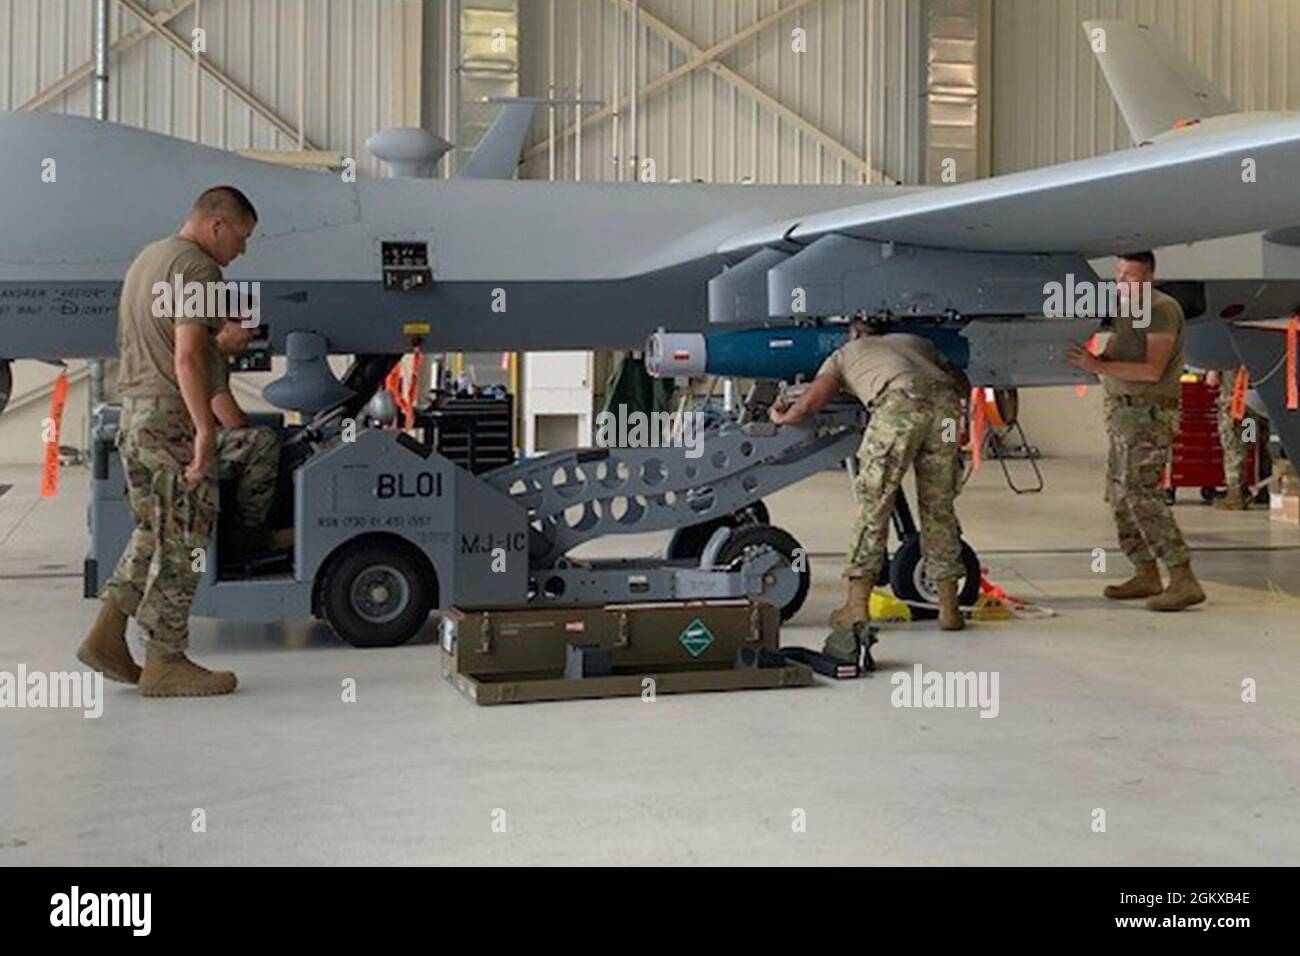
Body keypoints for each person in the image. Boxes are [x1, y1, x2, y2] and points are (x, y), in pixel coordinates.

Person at [76, 186, 258, 697]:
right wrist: (204, 429)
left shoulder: (148, 259)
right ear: (217, 225)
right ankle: (165, 660)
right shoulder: (201, 269)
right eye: (241, 238)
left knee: (152, 532)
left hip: (132, 413)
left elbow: (159, 342)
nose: (241, 251)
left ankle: (106, 635)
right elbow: (186, 358)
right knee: (185, 540)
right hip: (168, 418)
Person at [770, 320, 969, 645]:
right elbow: (961, 382)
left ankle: (856, 605)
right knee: (939, 505)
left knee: (875, 503)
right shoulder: (916, 341)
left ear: (854, 333)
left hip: (899, 407)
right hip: (947, 412)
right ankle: (949, 606)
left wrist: (781, 416)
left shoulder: (845, 353)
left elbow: (808, 405)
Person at [1068, 251, 1205, 612]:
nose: (1122, 281)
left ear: (1149, 275)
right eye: (1119, 274)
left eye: (1130, 275)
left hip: (1148, 414)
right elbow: (1113, 359)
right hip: (1122, 415)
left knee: (1141, 494)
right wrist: (1094, 362)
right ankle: (1145, 571)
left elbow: (1151, 371)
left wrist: (1097, 364)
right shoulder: (1126, 310)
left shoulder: (1161, 308)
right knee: (1119, 495)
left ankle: (1182, 576)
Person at [208, 317, 290, 557]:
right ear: (224, 324)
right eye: (246, 325)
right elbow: (231, 419)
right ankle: (247, 532)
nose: (253, 333)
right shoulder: (208, 355)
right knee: (262, 441)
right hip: (188, 444)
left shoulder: (215, 356)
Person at [1205, 367, 1258, 511]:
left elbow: (1212, 380)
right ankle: (1251, 489)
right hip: (1254, 406)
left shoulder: (1224, 349)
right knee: (1249, 445)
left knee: (1232, 447)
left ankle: (1235, 495)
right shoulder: (1261, 345)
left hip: (1233, 405)